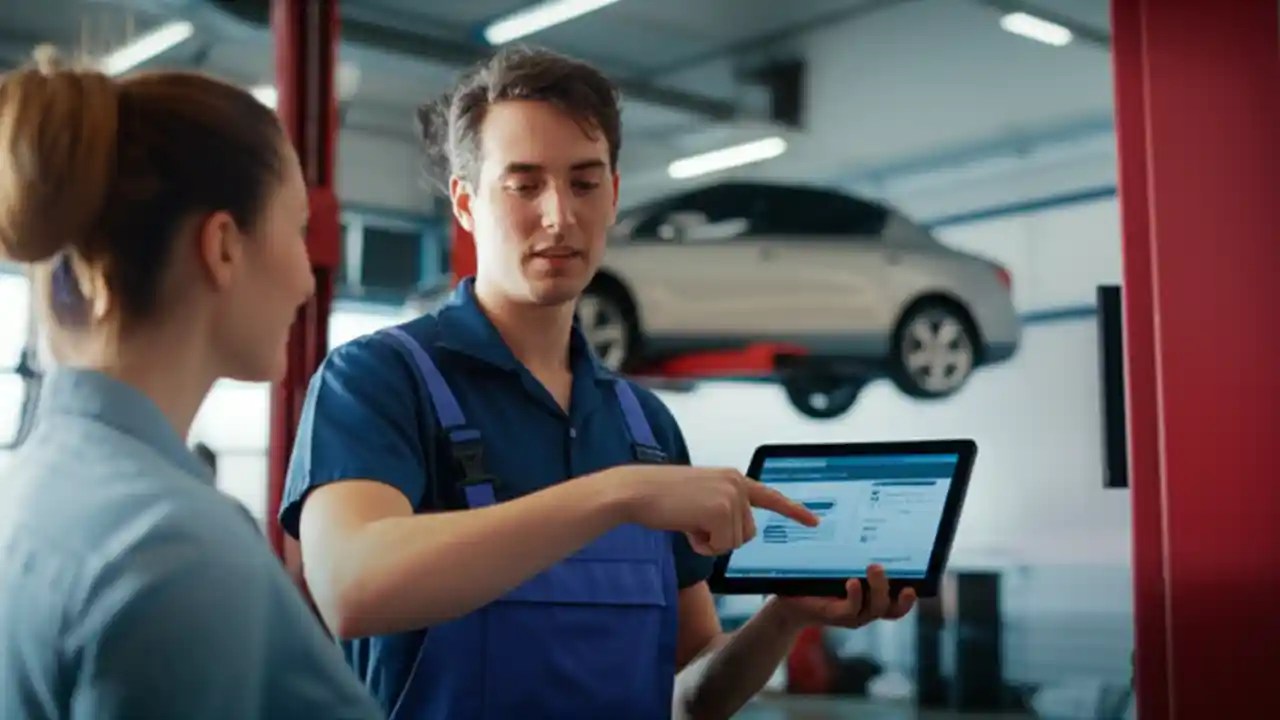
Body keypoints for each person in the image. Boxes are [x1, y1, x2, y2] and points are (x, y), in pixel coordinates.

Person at [282, 45, 916, 720]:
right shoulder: (378, 379)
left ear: (613, 196)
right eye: (524, 185)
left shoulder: (643, 425)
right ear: (466, 203)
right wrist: (617, 494)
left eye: (584, 183)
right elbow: (352, 589)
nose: (559, 216)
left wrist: (782, 620)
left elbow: (690, 695)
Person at [0, 49, 383, 720]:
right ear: (223, 247)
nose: (305, 279)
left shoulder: (33, 486)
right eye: (297, 230)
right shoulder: (172, 552)